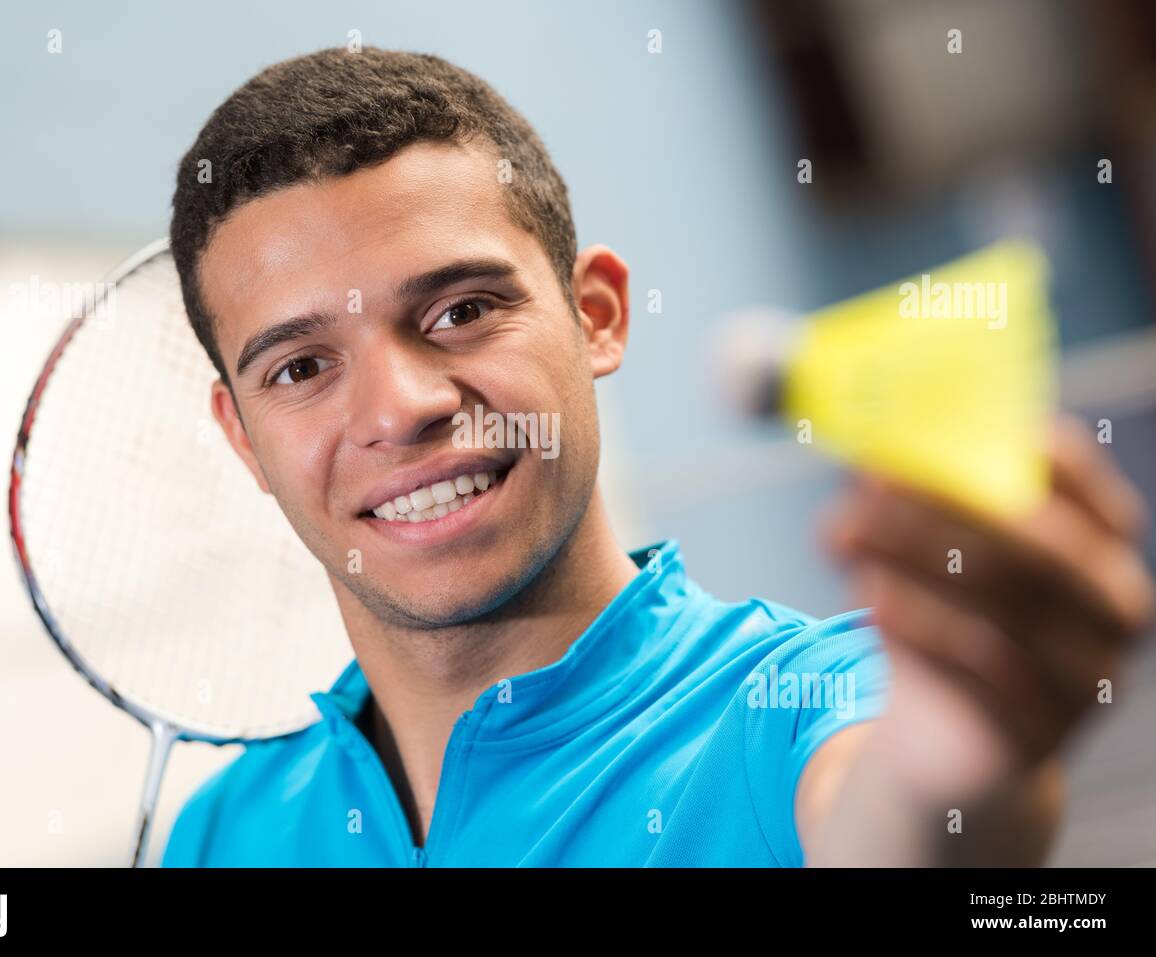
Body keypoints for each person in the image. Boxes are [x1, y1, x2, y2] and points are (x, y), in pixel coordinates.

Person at [160, 47, 1154, 866]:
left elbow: (897, 811)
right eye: (299, 368)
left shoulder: (796, 708)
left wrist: (953, 763)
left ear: (595, 315)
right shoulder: (218, 835)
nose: (404, 407)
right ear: (242, 436)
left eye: (461, 312)